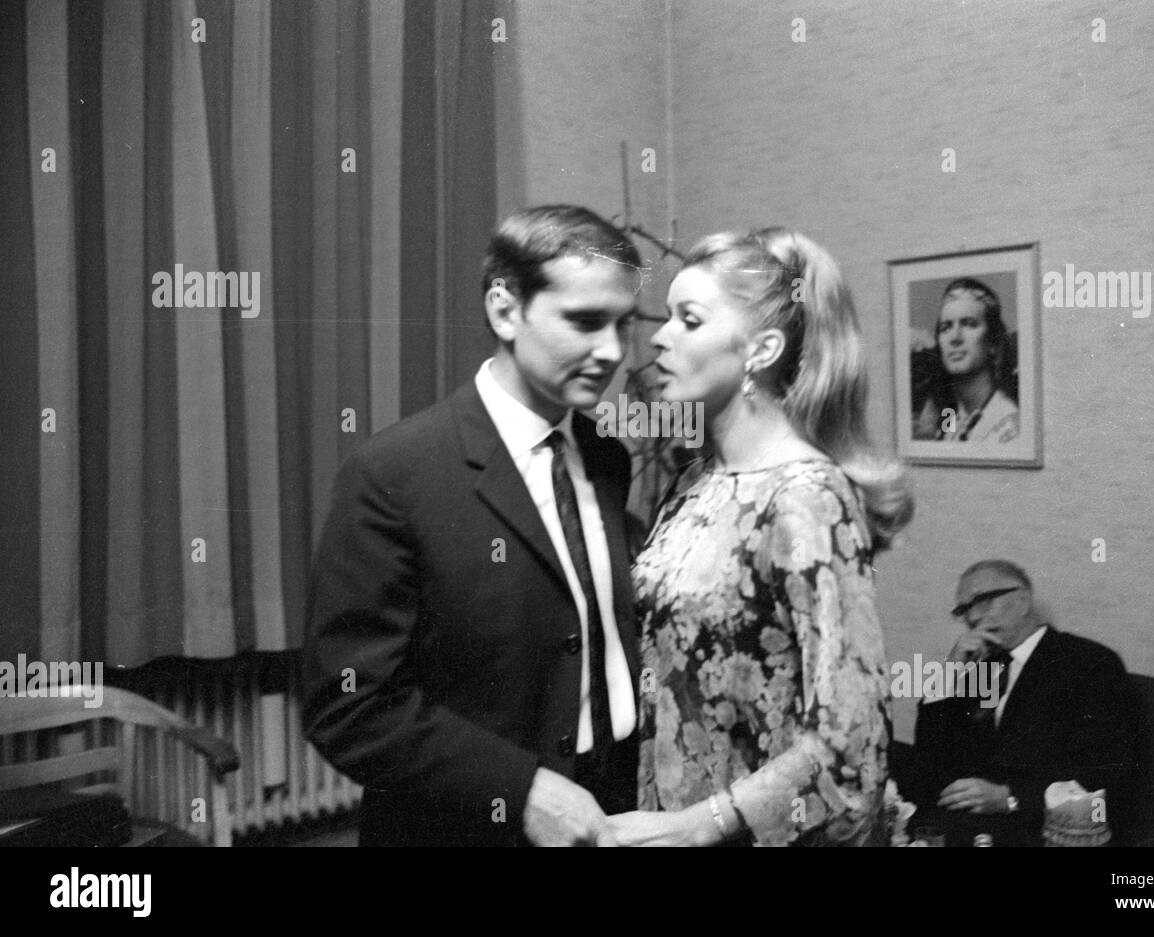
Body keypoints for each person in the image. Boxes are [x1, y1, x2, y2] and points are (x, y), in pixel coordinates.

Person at [302, 205, 645, 846]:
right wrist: (521, 791)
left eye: (625, 326)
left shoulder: (605, 457)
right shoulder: (393, 474)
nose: (614, 353)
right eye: (586, 322)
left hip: (613, 813)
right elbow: (347, 705)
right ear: (505, 309)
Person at [608, 228, 914, 846]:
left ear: (761, 348)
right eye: (666, 316)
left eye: (688, 319)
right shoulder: (697, 479)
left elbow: (849, 743)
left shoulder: (805, 496)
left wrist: (700, 827)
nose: (659, 338)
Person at [906, 560, 1139, 846]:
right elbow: (929, 763)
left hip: (1041, 829)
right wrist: (948, 676)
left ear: (1023, 600)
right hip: (969, 827)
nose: (973, 618)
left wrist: (1010, 797)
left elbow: (1106, 770)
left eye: (982, 601)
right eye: (964, 609)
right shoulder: (982, 666)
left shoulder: (1088, 662)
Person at [911, 278, 1019, 443]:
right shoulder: (950, 417)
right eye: (945, 327)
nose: (955, 338)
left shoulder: (1010, 428)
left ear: (993, 343)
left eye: (969, 324)